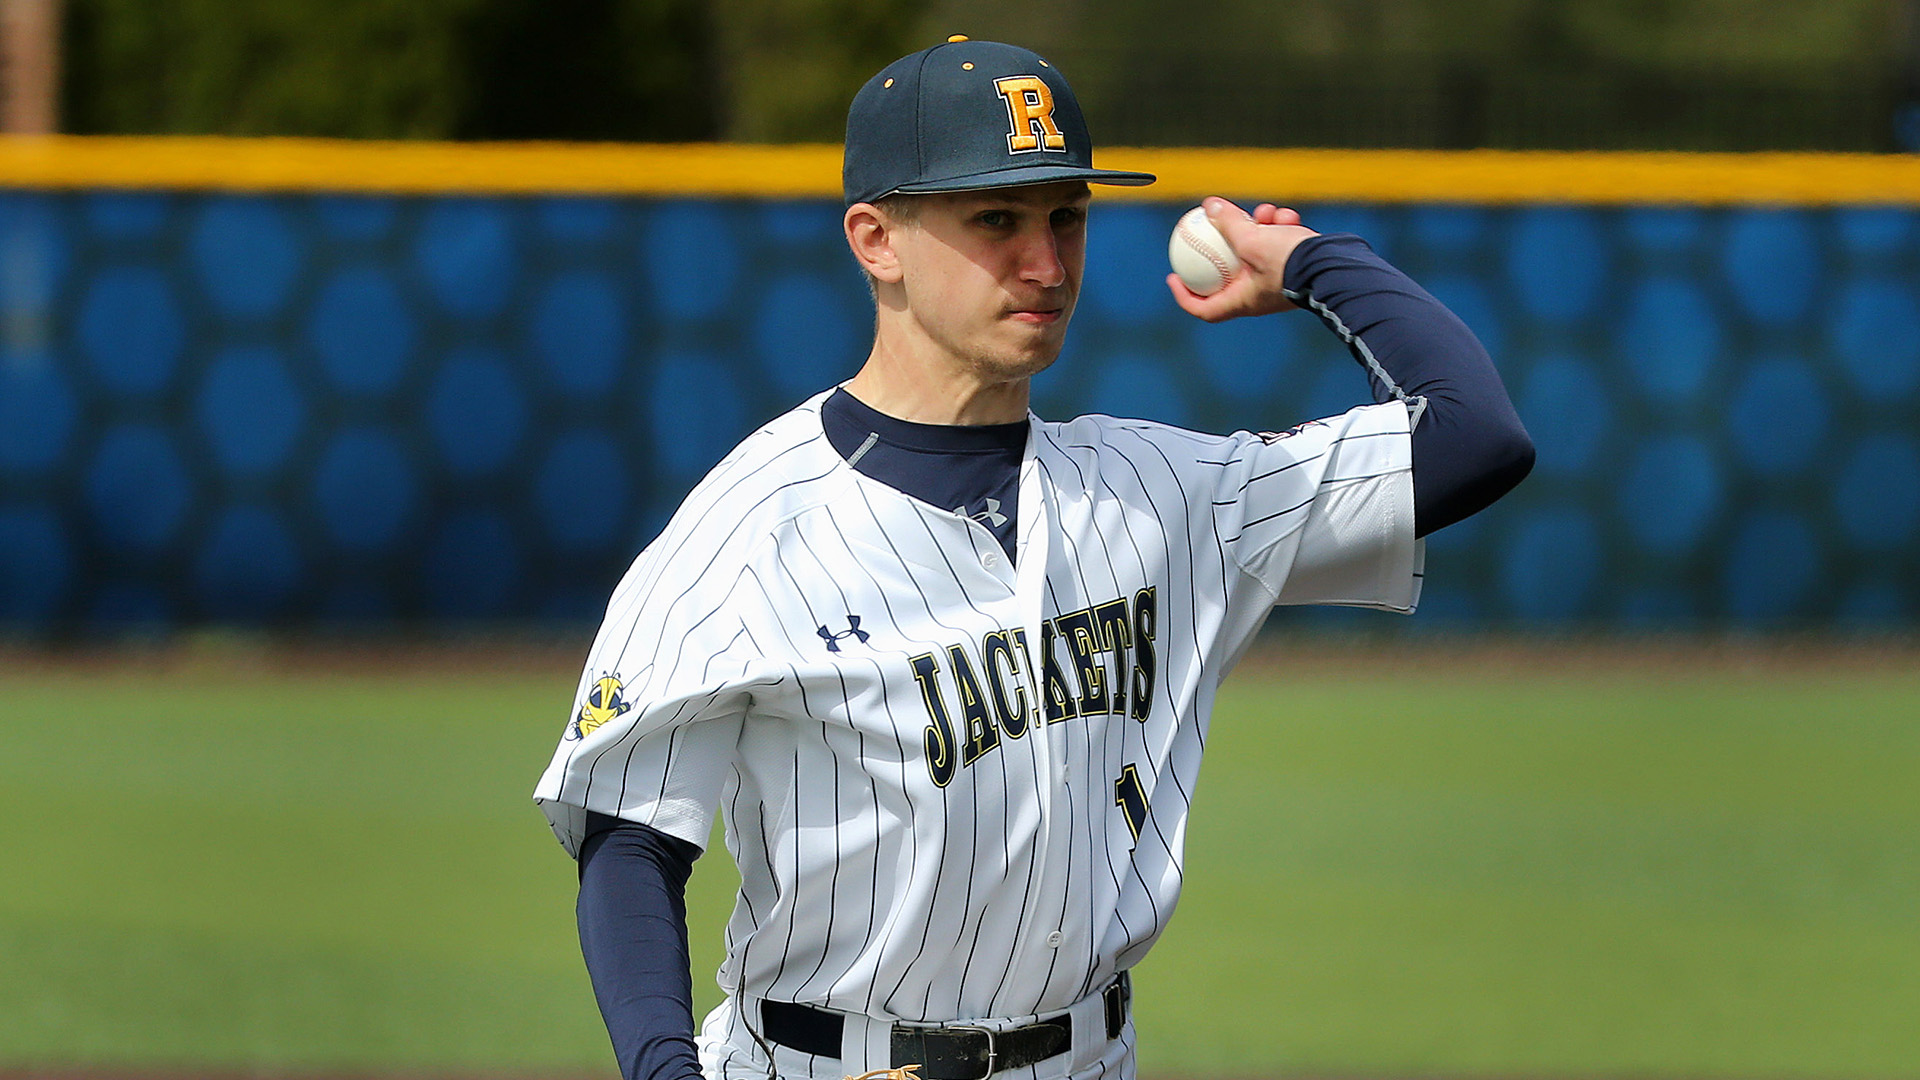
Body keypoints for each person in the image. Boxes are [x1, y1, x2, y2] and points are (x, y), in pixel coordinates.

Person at [533, 35, 1533, 1080]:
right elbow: (632, 843)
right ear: (877, 240)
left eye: (1067, 218)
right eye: (996, 220)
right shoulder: (750, 530)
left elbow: (1476, 438)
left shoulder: (1162, 494)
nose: (1047, 265)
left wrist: (1317, 264)